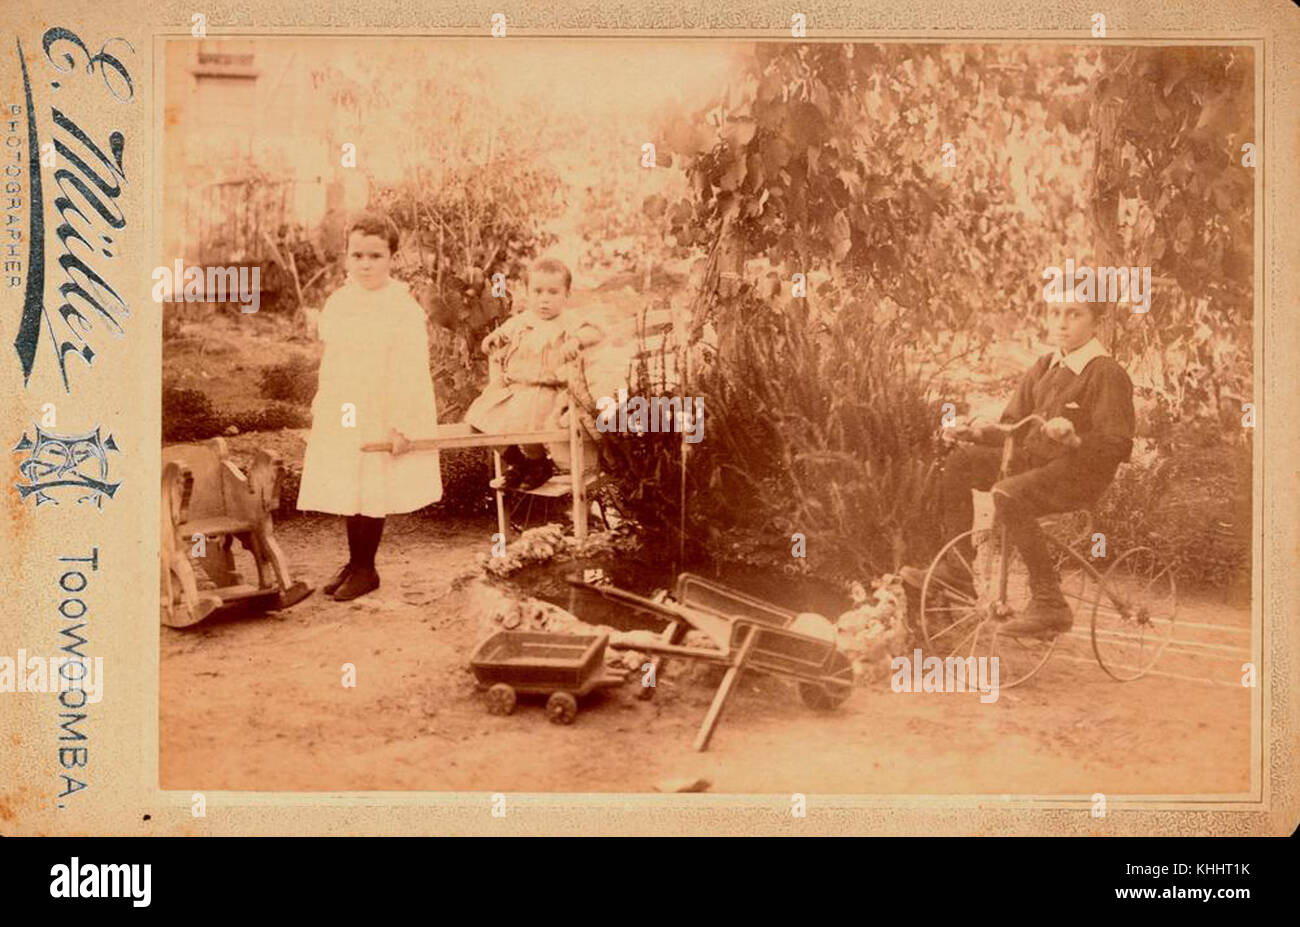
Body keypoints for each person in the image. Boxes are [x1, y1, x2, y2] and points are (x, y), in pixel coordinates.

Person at [901, 301, 1136, 635]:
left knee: (1009, 493)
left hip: (1079, 473)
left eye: (1075, 314)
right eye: (1058, 314)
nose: (1063, 323)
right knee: (958, 462)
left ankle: (1050, 602)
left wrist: (1074, 440)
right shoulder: (1045, 365)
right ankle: (959, 568)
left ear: (1097, 323)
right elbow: (1014, 426)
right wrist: (977, 432)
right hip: (1034, 463)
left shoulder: (1105, 372)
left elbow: (1117, 443)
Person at [296, 214, 442, 601]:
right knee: (350, 482)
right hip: (345, 403)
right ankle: (354, 560)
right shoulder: (341, 301)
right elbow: (334, 358)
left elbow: (411, 373)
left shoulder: (401, 307)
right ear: (346, 257)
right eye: (357, 255)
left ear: (392, 257)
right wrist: (322, 401)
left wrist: (402, 425)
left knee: (371, 484)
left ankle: (368, 567)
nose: (365, 264)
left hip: (381, 405)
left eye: (375, 256)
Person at [463, 258, 602, 491]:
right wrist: (492, 340)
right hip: (514, 390)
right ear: (527, 293)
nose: (544, 299)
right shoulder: (521, 321)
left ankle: (538, 464)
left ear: (566, 295)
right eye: (537, 292)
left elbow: (595, 332)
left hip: (546, 391)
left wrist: (576, 340)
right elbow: (498, 337)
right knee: (479, 419)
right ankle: (520, 463)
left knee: (525, 422)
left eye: (553, 292)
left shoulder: (568, 321)